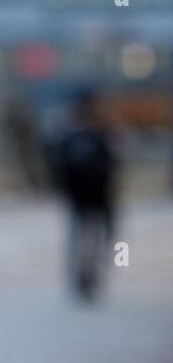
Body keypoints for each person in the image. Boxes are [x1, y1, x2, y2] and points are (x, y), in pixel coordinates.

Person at [51, 90, 116, 302]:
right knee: (82, 239)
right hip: (81, 199)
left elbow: (110, 167)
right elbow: (61, 169)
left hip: (97, 198)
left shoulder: (100, 135)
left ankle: (90, 276)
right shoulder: (71, 137)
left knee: (93, 239)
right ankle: (82, 277)